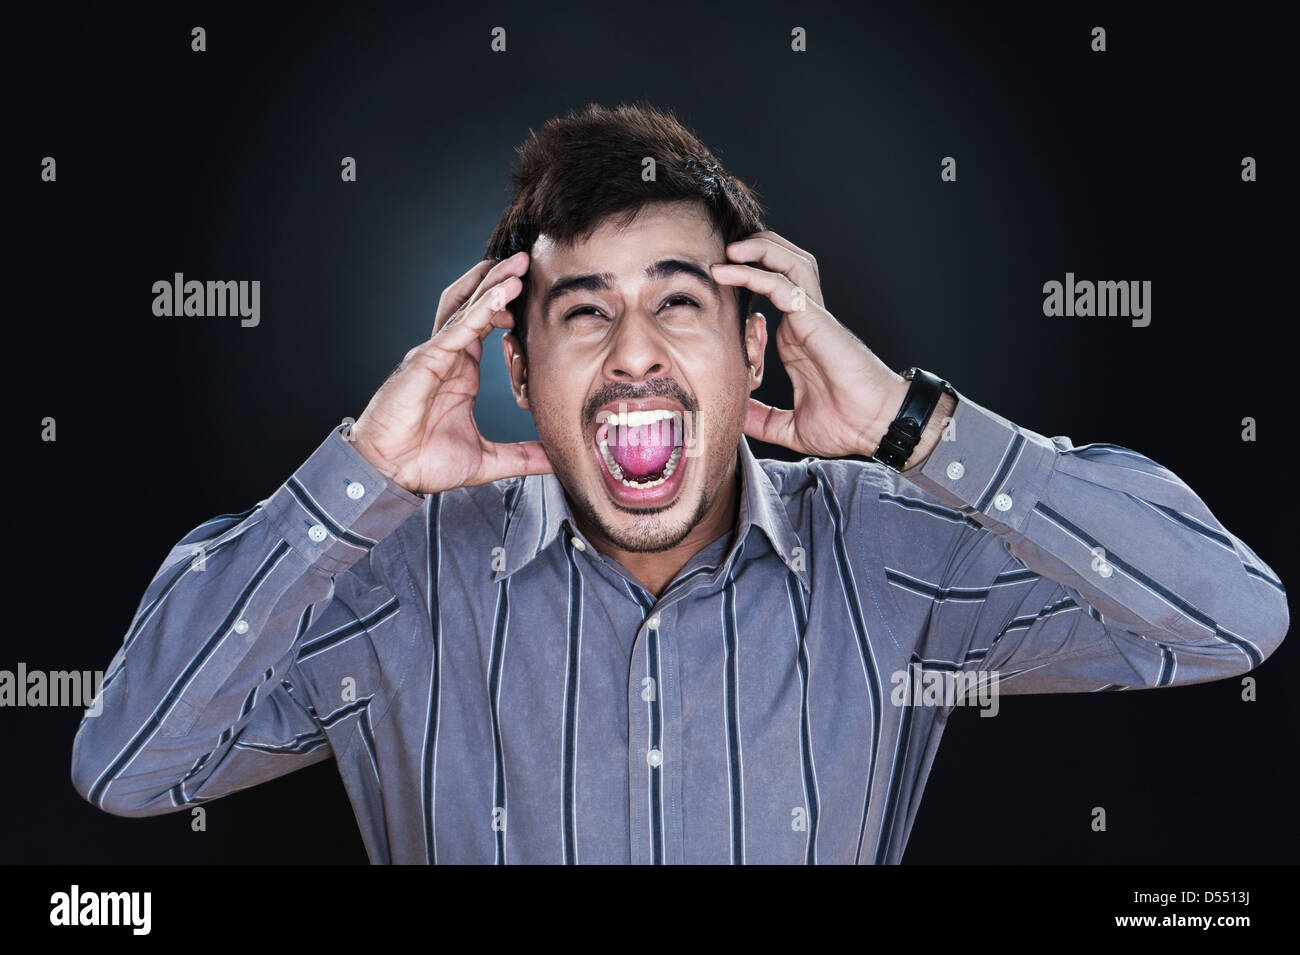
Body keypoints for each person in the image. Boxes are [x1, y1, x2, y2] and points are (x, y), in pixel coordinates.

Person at [71, 103, 1288, 864]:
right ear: (514, 364)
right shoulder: (396, 569)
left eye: (680, 304)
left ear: (755, 344)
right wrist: (363, 476)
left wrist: (913, 426)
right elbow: (130, 767)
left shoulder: (891, 548)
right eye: (583, 312)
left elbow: (1233, 617)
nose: (636, 351)